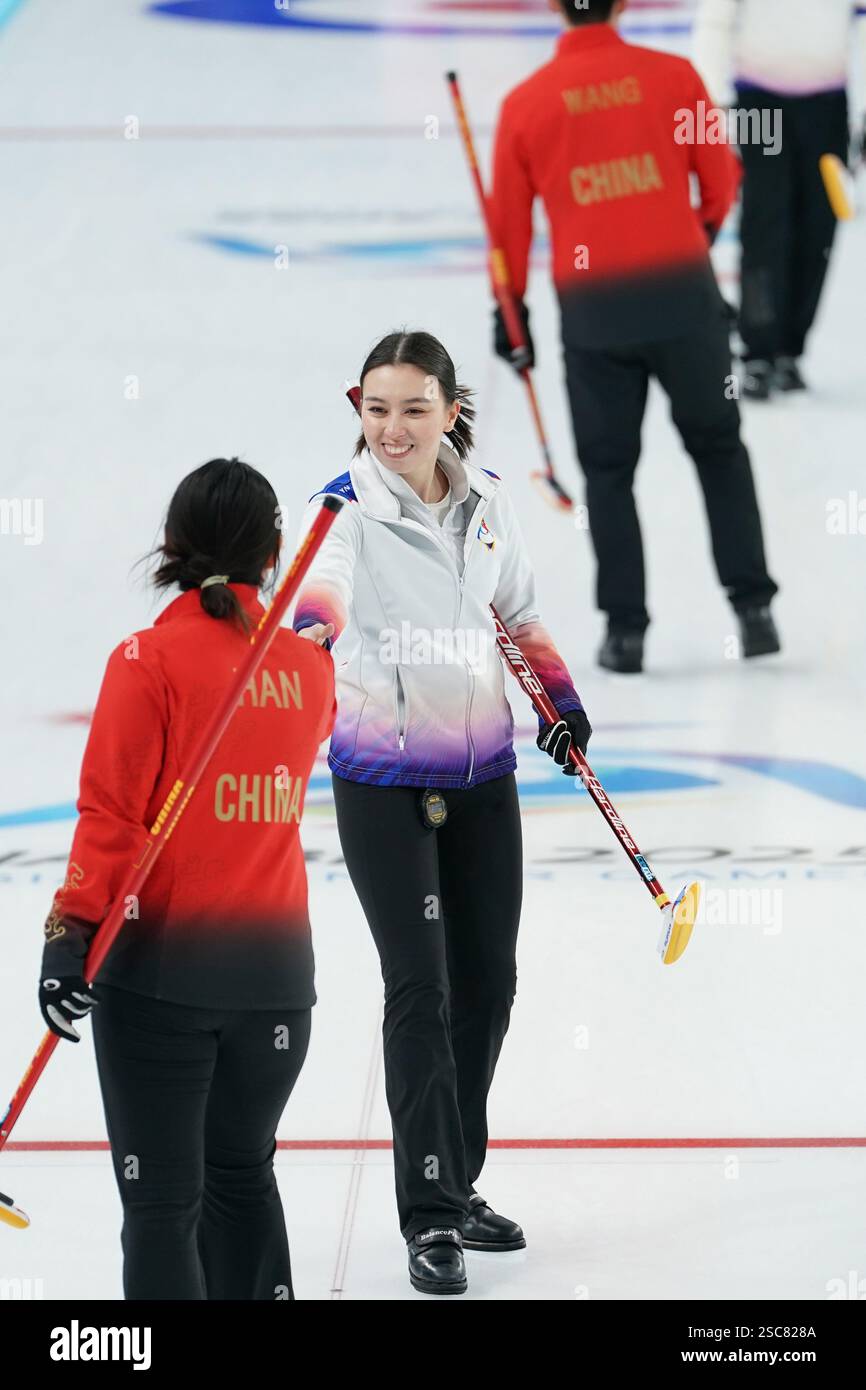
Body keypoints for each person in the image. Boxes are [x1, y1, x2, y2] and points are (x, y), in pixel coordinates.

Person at [293, 329, 590, 1295]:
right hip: (382, 782)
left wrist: (559, 699)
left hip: (482, 776)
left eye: (413, 408)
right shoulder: (339, 513)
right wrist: (309, 639)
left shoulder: (489, 498)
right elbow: (316, 603)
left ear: (452, 410)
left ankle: (455, 1177)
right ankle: (428, 1213)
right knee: (418, 988)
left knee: (489, 984)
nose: (391, 428)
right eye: (375, 409)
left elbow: (520, 609)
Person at [39, 458, 336, 1301]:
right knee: (242, 1177)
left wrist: (68, 938)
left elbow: (110, 820)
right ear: (275, 550)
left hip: (162, 983)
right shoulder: (310, 674)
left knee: (164, 1207)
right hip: (277, 989)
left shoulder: (145, 660)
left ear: (170, 544)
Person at [487, 0, 780, 673]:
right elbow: (721, 178)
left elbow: (507, 227)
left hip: (594, 316)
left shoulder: (526, 103)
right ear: (622, 3)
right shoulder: (674, 76)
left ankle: (625, 631)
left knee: (609, 472)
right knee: (719, 448)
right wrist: (692, 236)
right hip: (685, 301)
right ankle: (754, 608)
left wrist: (510, 311)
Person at [693, 0, 866, 399]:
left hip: (827, 105)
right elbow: (715, 20)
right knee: (764, 228)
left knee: (818, 228)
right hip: (760, 101)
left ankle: (790, 347)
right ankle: (759, 350)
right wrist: (712, 105)